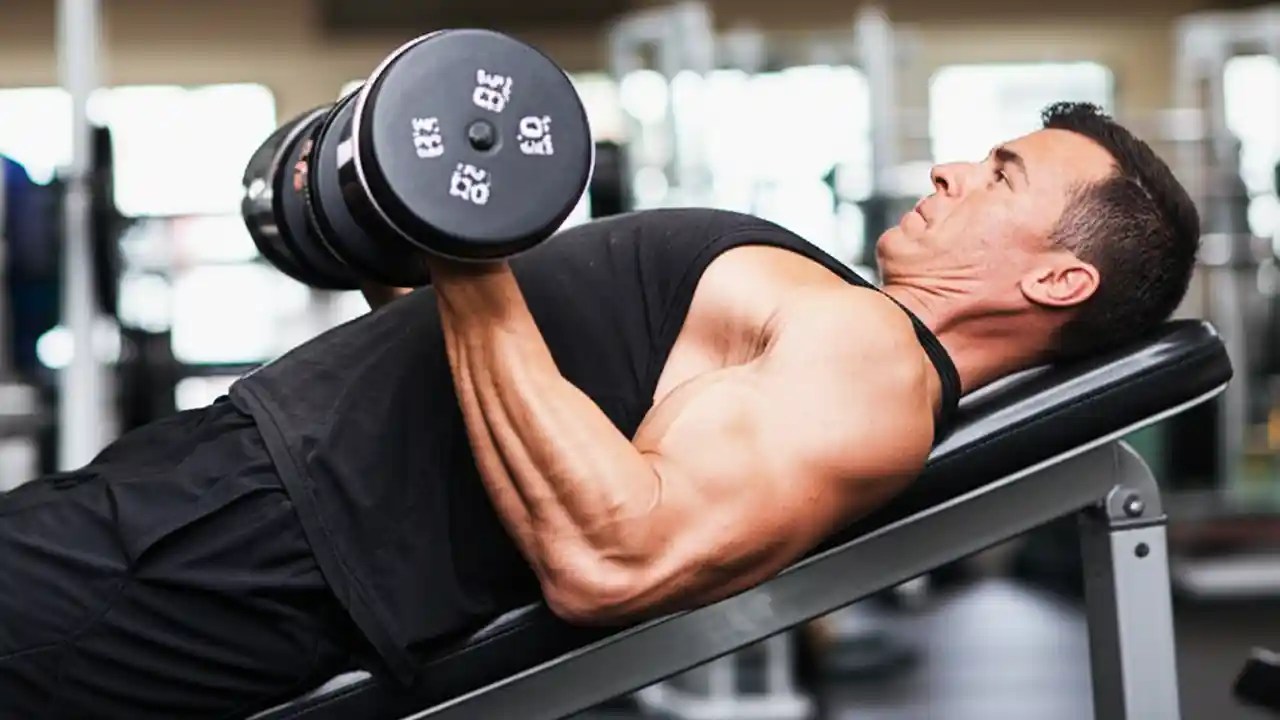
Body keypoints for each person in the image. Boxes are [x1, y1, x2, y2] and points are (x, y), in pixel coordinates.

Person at [0, 101, 1200, 719]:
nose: (947, 169)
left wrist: (465, 247)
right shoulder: (836, 317)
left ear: (1056, 280)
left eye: (998, 175)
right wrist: (399, 236)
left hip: (240, 555)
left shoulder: (875, 368)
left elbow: (613, 553)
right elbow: (507, 379)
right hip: (217, 511)